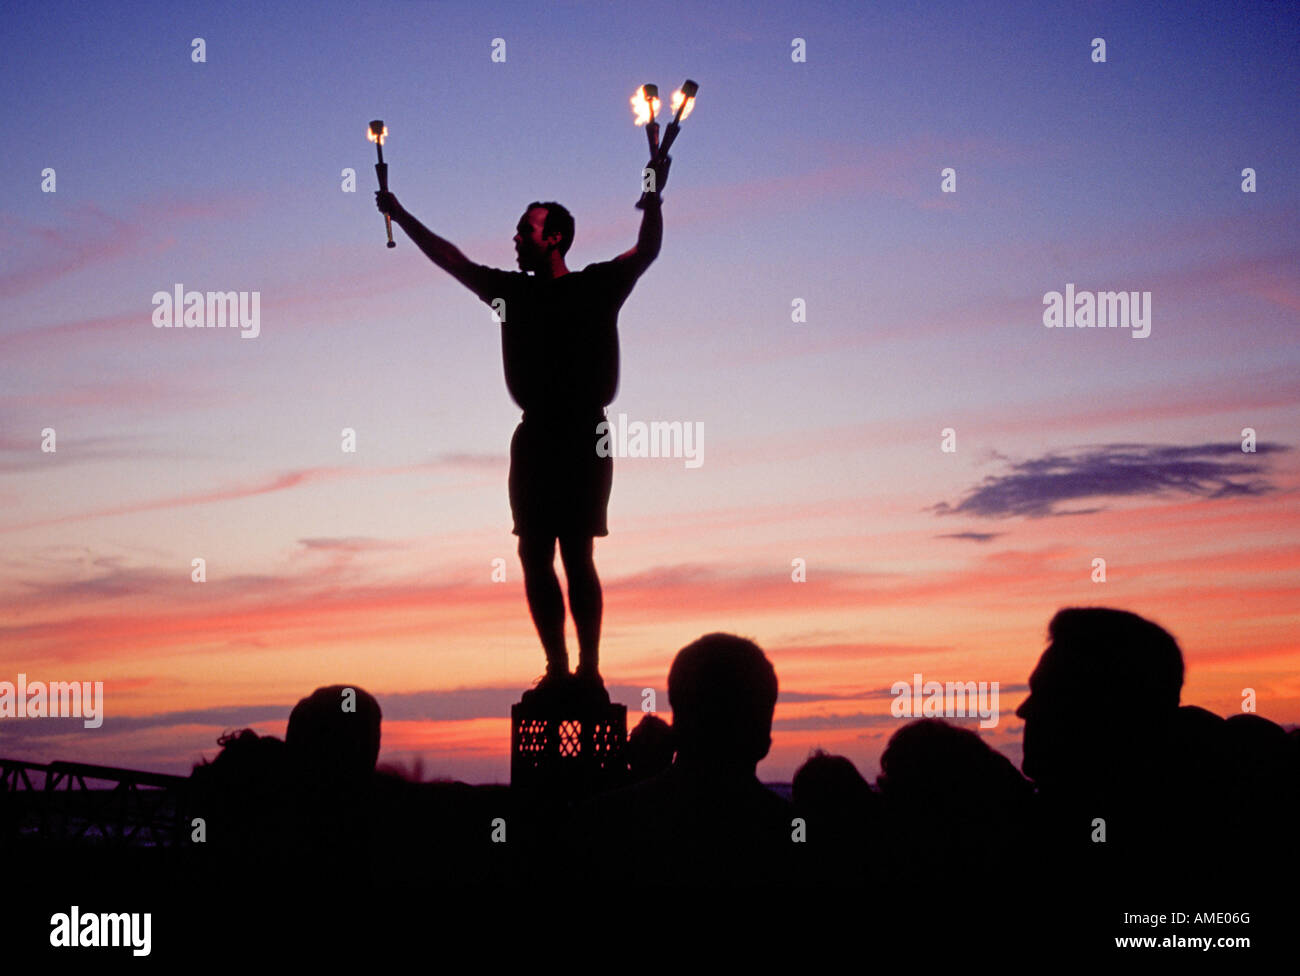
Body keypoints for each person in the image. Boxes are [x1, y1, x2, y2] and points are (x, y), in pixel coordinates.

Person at [376, 156, 671, 696]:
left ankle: (587, 672)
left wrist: (653, 197)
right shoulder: (512, 294)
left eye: (525, 229)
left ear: (554, 238)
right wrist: (402, 212)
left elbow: (647, 247)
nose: (514, 237)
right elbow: (452, 259)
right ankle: (559, 670)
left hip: (586, 435)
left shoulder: (598, 286)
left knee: (577, 552)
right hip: (535, 438)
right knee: (534, 552)